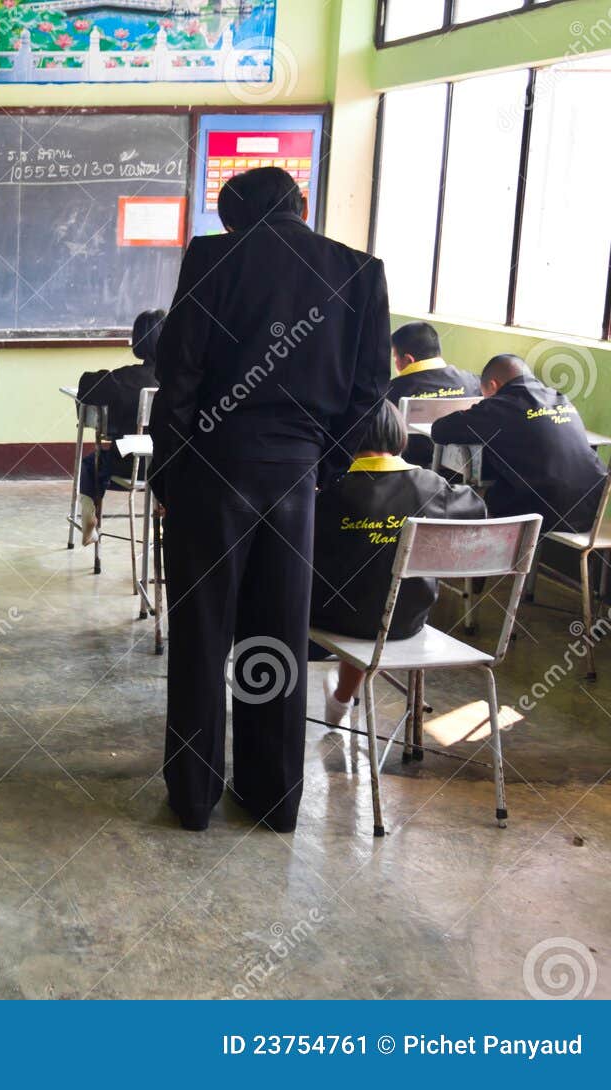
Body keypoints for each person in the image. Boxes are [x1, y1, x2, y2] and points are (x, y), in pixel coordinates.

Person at [149, 166, 390, 833]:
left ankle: (194, 797)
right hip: (296, 477)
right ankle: (276, 798)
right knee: (279, 635)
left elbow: (180, 375)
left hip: (212, 469)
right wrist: (322, 466)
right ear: (302, 205)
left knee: (202, 634)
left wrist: (170, 475)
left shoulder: (212, 258)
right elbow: (370, 392)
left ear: (233, 218)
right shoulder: (360, 270)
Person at [310, 401, 486, 724]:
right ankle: (340, 700)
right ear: (399, 435)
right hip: (406, 622)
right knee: (380, 591)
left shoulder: (326, 492)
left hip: (328, 620)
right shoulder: (435, 490)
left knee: (359, 586)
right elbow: (479, 516)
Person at [429, 353, 608, 533]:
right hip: (592, 512)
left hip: (543, 515)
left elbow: (439, 430)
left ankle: (483, 558)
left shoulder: (498, 406)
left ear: (493, 385)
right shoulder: (560, 398)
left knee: (472, 496)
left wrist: (477, 410)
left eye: (485, 396)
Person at [72, 309, 165, 545]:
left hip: (130, 466)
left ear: (138, 341)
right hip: (170, 469)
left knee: (91, 464)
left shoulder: (126, 378)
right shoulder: (182, 378)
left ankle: (89, 519)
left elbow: (86, 385)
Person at [385, 322, 481, 468]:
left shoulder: (391, 391)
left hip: (412, 468)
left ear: (408, 360)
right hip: (461, 467)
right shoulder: (473, 382)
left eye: (395, 358)